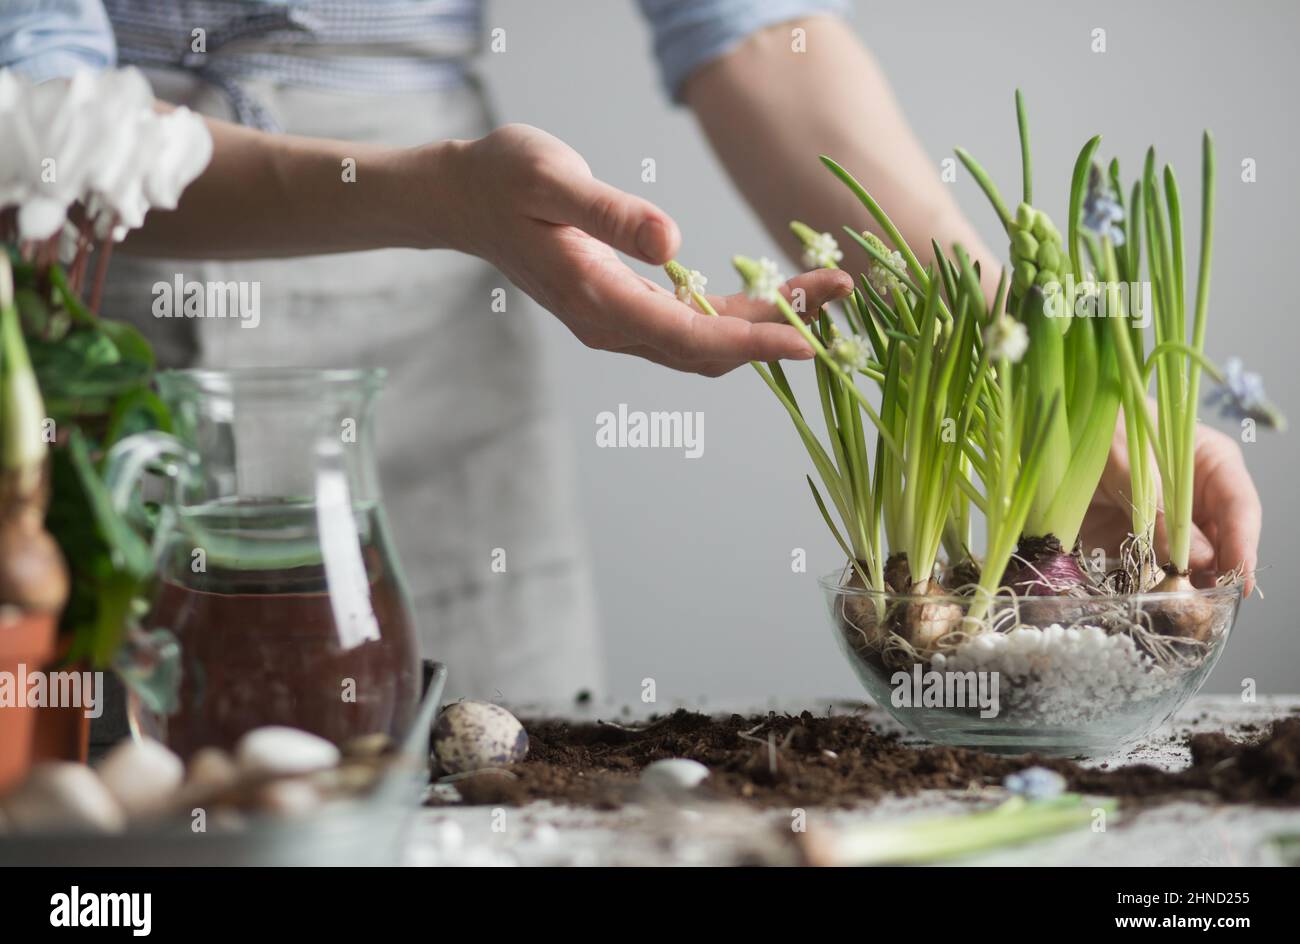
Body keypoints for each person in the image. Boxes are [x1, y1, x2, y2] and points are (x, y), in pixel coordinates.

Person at [0, 1, 1261, 705]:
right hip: (95, 300)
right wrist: (445, 197)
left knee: (500, 770)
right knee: (109, 828)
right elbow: (33, 122)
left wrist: (1019, 352)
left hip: (450, 306)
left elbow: (756, 31)